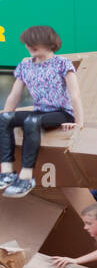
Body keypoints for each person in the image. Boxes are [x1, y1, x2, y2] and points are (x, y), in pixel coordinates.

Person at [0, 25, 84, 198]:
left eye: (33, 43)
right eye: (28, 43)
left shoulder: (62, 63)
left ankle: (26, 177)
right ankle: (7, 172)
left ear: (48, 43)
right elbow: (14, 96)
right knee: (5, 118)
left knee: (31, 122)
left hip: (62, 112)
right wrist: (6, 119)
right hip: (40, 111)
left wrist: (78, 122)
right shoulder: (25, 65)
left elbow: (74, 94)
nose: (29, 46)